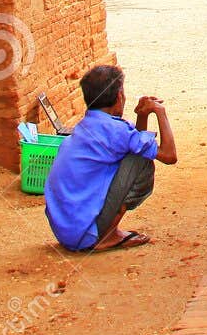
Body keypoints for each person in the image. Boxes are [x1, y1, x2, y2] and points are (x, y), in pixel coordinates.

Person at [44, 64, 177, 253]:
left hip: (66, 233)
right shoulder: (115, 131)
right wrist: (160, 112)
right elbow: (169, 155)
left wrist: (142, 115)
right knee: (141, 161)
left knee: (137, 153)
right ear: (119, 97)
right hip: (84, 236)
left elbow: (132, 142)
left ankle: (102, 232)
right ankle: (106, 236)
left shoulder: (87, 125)